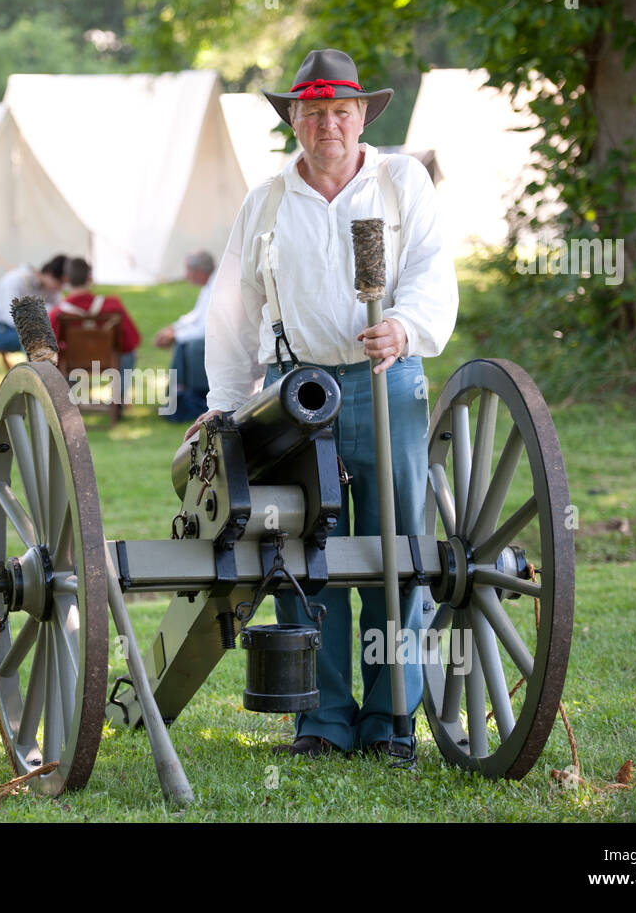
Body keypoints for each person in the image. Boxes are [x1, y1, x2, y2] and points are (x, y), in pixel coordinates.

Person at [192, 49, 459, 759]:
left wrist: (405, 326)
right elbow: (231, 311)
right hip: (298, 394)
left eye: (341, 111)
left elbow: (434, 271)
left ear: (363, 114)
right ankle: (325, 716)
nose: (327, 125)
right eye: (312, 112)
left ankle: (391, 715)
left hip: (387, 380)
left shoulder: (402, 182)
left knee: (393, 550)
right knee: (302, 551)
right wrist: (224, 405)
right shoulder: (268, 199)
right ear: (294, 121)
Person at [154, 250, 216, 421]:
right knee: (183, 343)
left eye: (188, 270)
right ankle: (176, 394)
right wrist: (173, 328)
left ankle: (186, 395)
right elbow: (196, 316)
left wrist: (176, 335)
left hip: (217, 339)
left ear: (200, 272)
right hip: (210, 335)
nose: (186, 275)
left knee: (189, 345)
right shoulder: (209, 286)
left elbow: (205, 328)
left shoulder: (215, 287)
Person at [48, 257, 140, 372]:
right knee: (129, 354)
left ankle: (69, 389)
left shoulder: (57, 313)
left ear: (65, 279)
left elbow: (49, 349)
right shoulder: (113, 306)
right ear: (89, 278)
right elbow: (132, 341)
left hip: (71, 366)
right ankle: (118, 389)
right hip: (107, 360)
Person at [0, 256, 66, 353]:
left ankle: (61, 367)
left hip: (23, 329)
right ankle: (40, 368)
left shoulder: (48, 287)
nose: (61, 288)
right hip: (1, 330)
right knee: (39, 339)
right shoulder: (16, 280)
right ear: (49, 274)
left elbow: (58, 307)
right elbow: (11, 318)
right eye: (60, 283)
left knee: (62, 334)